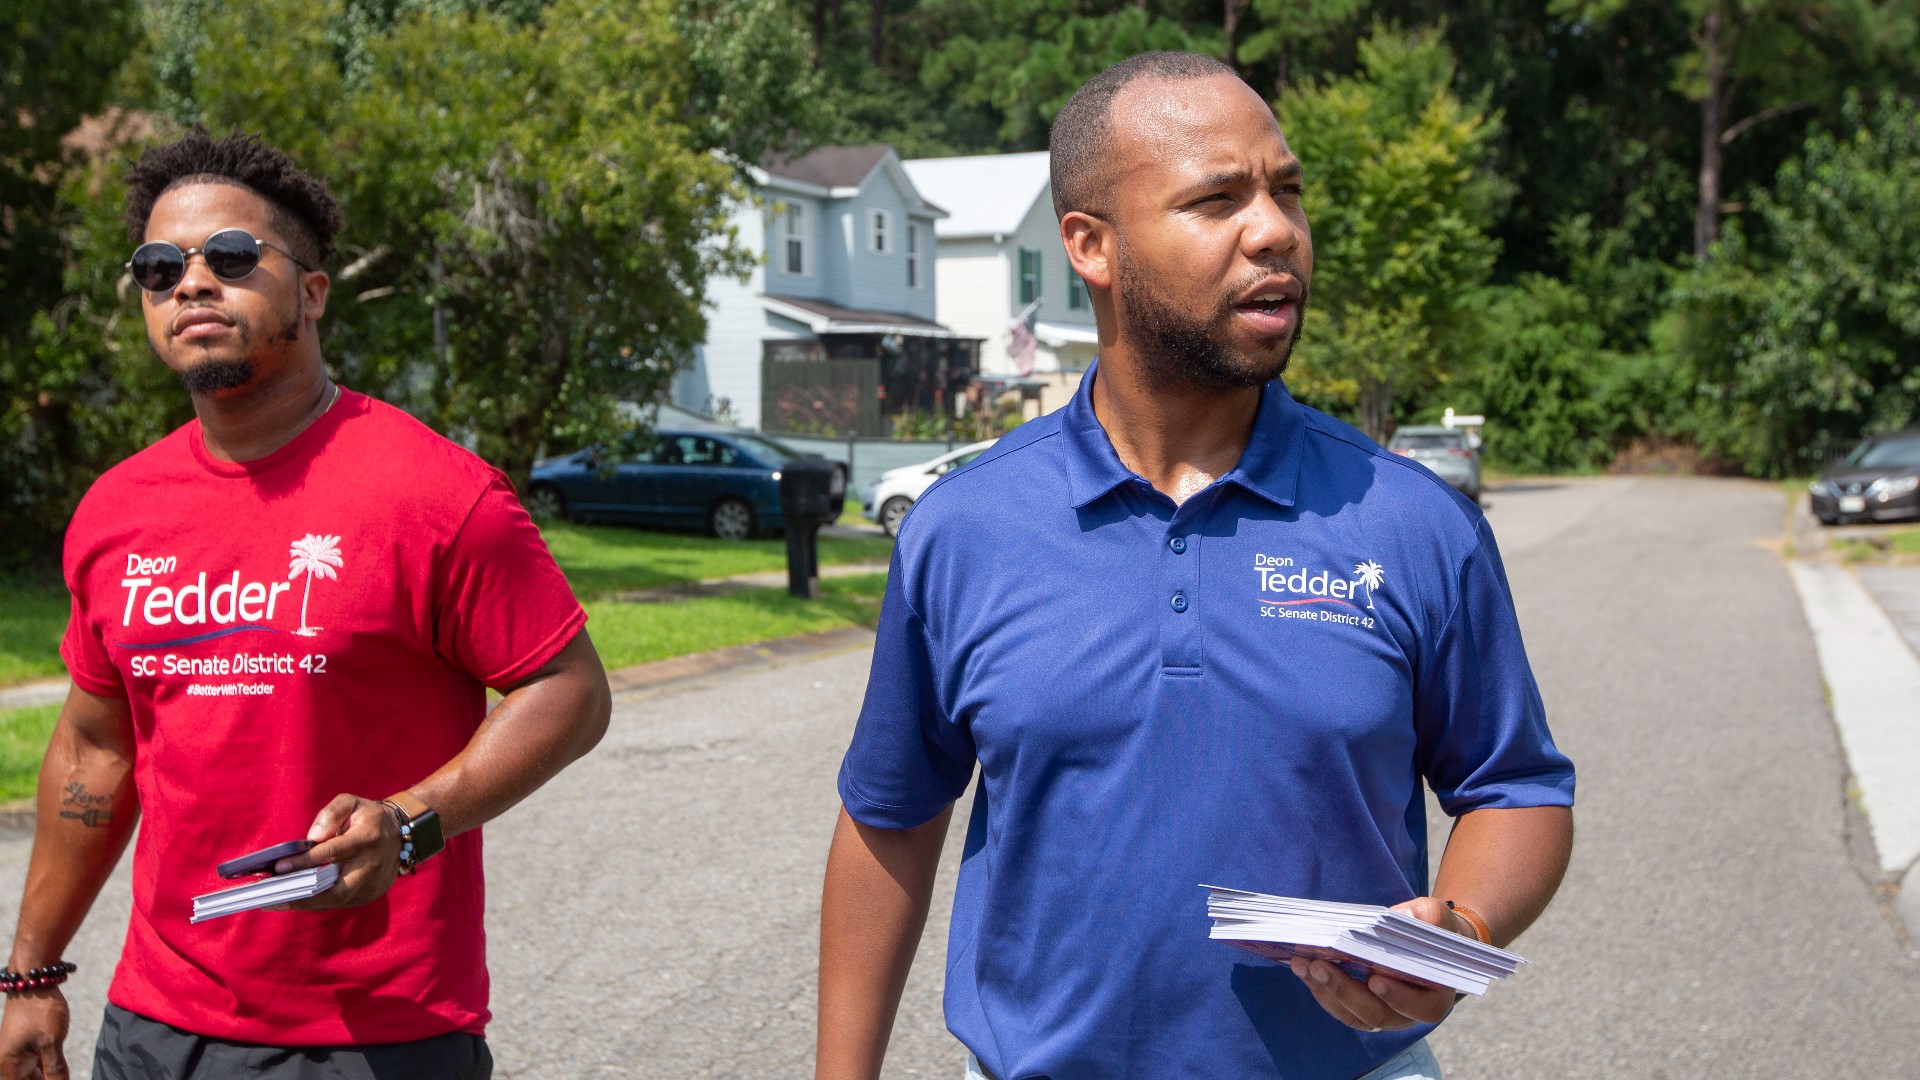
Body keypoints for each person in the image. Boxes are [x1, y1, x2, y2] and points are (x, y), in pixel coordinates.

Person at [817, 53, 1575, 1080]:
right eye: (1217, 200)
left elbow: (1516, 787)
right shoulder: (965, 528)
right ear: (1092, 245)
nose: (1275, 232)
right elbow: (890, 818)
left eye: (1287, 192)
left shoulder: (1412, 522)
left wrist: (1461, 931)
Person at [0, 128, 612, 1079]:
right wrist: (29, 976)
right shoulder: (115, 512)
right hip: (154, 1027)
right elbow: (94, 745)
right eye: (160, 268)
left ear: (313, 290)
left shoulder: (437, 496)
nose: (192, 283)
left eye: (233, 257)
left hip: (374, 1036)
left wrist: (413, 821)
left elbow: (569, 690)